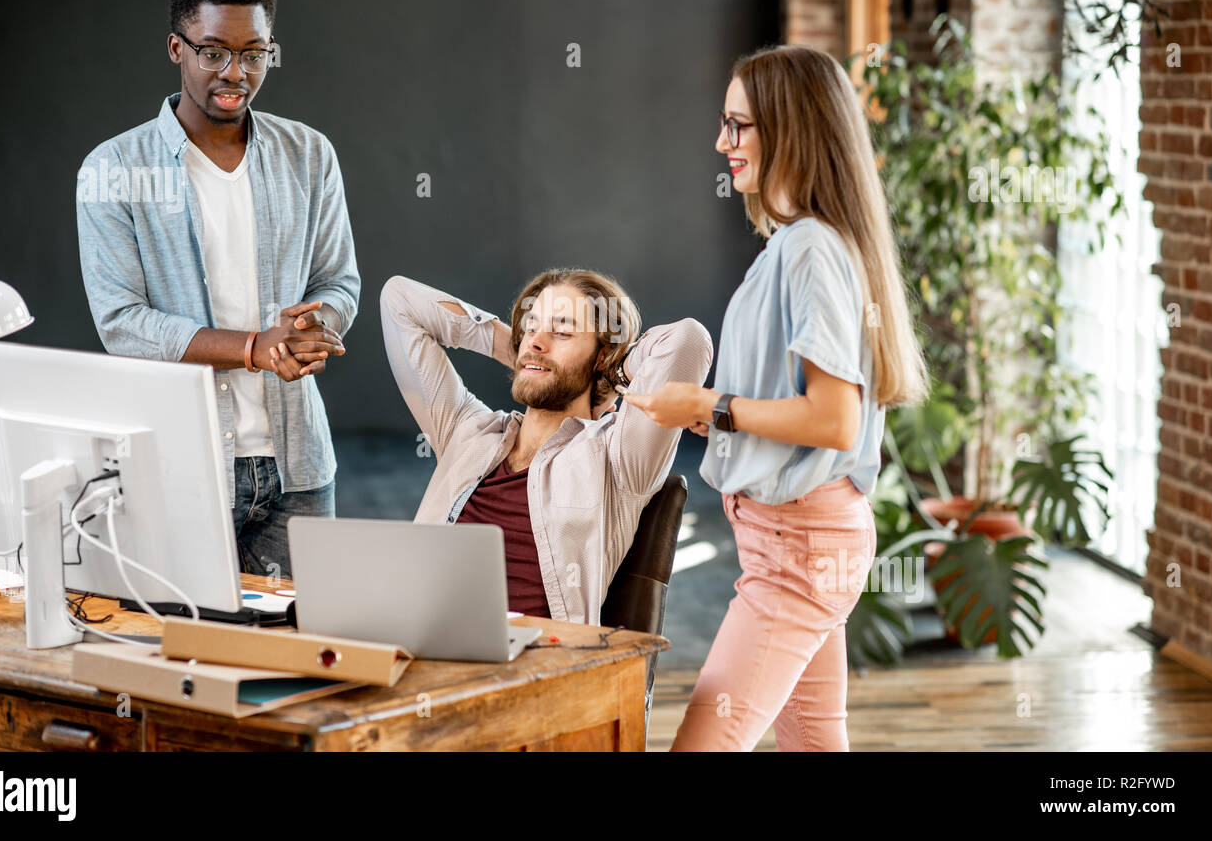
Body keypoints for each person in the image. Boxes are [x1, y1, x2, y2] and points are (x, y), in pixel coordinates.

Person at [624, 45, 929, 751]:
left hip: (800, 546)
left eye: (739, 126)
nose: (721, 143)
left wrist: (706, 407)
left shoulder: (811, 251)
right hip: (796, 541)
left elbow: (833, 417)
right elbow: (793, 409)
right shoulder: (800, 244)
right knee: (815, 743)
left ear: (790, 130)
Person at [76, 0, 361, 579]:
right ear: (177, 48)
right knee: (176, 655)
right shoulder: (114, 168)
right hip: (178, 470)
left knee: (303, 656)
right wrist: (257, 347)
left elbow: (338, 280)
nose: (235, 73)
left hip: (298, 470)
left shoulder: (310, 154)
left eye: (254, 54)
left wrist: (316, 326)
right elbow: (122, 323)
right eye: (213, 53)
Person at [380, 272, 712, 624]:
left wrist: (612, 370)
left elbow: (688, 341)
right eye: (531, 327)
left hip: (533, 664)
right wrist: (524, 353)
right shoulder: (466, 431)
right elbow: (399, 300)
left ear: (602, 355)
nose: (536, 341)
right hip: (420, 641)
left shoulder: (618, 457)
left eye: (563, 332)